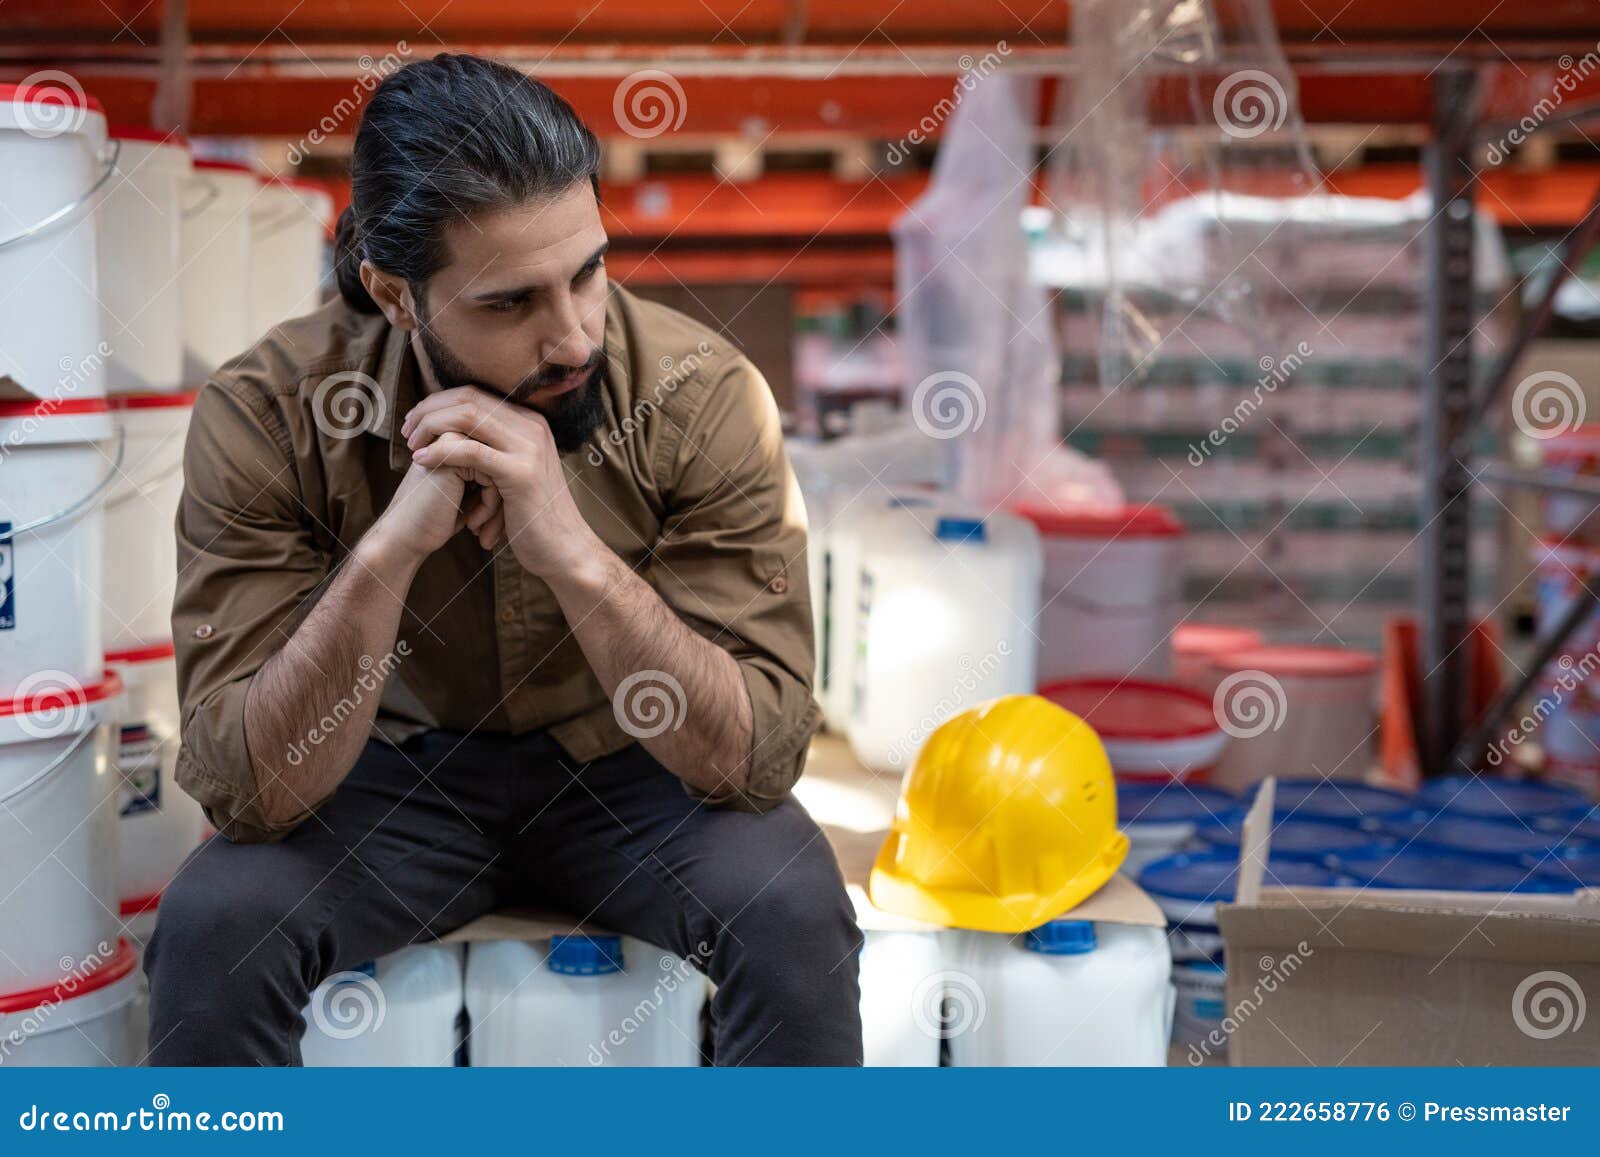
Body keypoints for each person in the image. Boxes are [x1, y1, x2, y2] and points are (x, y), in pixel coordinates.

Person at [143, 53, 862, 1066]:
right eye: (510, 303)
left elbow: (756, 758)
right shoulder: (269, 412)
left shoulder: (703, 396)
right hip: (387, 775)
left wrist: (570, 550)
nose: (571, 336)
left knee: (791, 905)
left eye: (588, 271)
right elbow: (248, 791)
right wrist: (391, 547)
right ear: (394, 293)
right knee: (218, 921)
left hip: (632, 768)